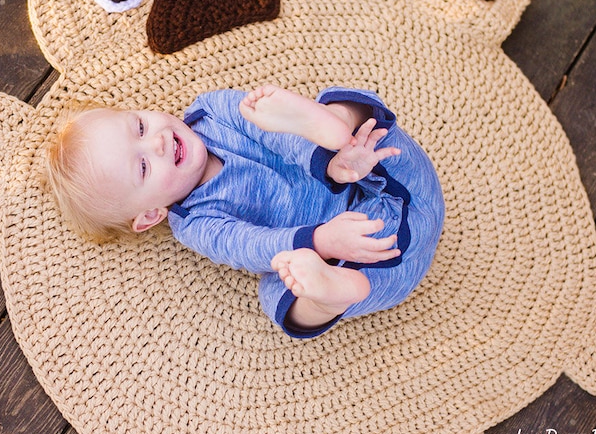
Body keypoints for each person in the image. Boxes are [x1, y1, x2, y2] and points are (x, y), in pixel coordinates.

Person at [47, 84, 444, 338]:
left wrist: (333, 162)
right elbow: (251, 244)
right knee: (277, 292)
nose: (157, 143)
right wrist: (321, 241)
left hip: (385, 183)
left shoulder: (213, 110)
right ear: (150, 215)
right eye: (144, 167)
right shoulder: (196, 224)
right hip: (371, 253)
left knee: (353, 114)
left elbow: (275, 134)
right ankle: (328, 297)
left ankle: (332, 124)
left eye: (138, 127)